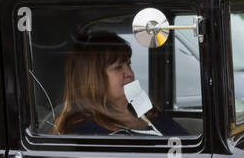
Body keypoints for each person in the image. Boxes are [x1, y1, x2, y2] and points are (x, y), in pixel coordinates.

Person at [53, 28, 186, 136]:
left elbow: (184, 141)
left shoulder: (145, 109)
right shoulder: (85, 130)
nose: (130, 73)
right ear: (93, 78)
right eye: (118, 68)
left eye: (129, 64)